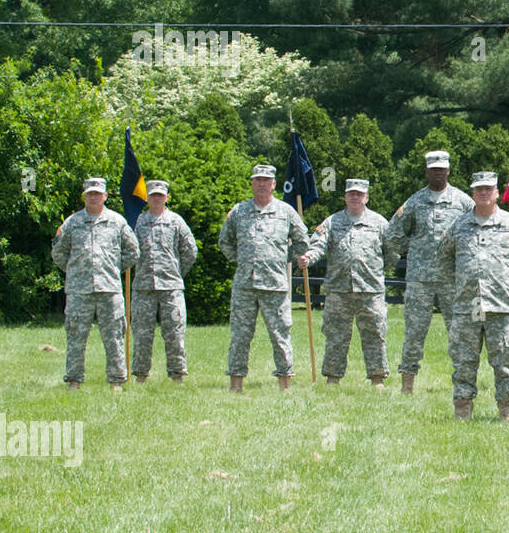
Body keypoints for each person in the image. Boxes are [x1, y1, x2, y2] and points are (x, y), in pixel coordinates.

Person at [438, 171, 509, 422]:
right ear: (473, 193)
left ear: (497, 192)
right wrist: (461, 283)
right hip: (467, 307)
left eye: (489, 189)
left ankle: (508, 411)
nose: (484, 193)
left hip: (501, 307)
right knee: (464, 362)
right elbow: (443, 259)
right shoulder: (459, 226)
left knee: (505, 361)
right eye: (479, 189)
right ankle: (462, 410)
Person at [384, 150, 473, 393]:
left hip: (453, 279)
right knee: (414, 331)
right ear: (426, 171)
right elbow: (392, 234)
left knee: (459, 331)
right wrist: (411, 251)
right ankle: (407, 384)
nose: (438, 172)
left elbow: (476, 233)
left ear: (448, 170)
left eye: (442, 168)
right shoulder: (414, 202)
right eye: (433, 169)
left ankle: (463, 381)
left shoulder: (464, 202)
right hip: (419, 280)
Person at [218, 164, 309, 393]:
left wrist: (281, 258)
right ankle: (236, 383)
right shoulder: (239, 211)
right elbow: (225, 242)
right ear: (252, 182)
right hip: (245, 285)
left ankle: (285, 384)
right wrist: (241, 259)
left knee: (280, 336)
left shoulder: (286, 212)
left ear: (274, 184)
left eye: (266, 180)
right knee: (240, 336)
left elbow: (302, 242)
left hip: (275, 285)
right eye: (258, 179)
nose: (261, 184)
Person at [300, 179, 397, 386]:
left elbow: (391, 253)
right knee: (336, 336)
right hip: (338, 290)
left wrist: (375, 271)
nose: (355, 197)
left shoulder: (380, 223)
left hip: (370, 291)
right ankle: (333, 378)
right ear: (345, 197)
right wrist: (309, 257)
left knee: (375, 334)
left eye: (359, 194)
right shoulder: (332, 222)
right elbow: (318, 245)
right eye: (351, 194)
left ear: (367, 197)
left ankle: (377, 378)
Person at [50, 177, 139, 391]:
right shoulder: (72, 223)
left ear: (105, 196)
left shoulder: (117, 222)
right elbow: (59, 253)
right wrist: (76, 270)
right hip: (79, 290)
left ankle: (116, 381)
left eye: (97, 193)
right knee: (76, 337)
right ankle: (74, 380)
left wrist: (112, 268)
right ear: (84, 195)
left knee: (115, 337)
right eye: (90, 193)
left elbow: (133, 251)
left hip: (109, 289)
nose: (93, 197)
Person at [130, 180, 197, 384]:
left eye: (161, 195)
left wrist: (176, 273)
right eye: (153, 195)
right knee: (142, 335)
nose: (157, 198)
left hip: (171, 288)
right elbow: (128, 250)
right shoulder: (137, 222)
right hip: (143, 287)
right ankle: (141, 376)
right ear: (147, 198)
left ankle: (177, 376)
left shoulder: (176, 221)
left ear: (167, 197)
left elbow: (190, 251)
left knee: (175, 334)